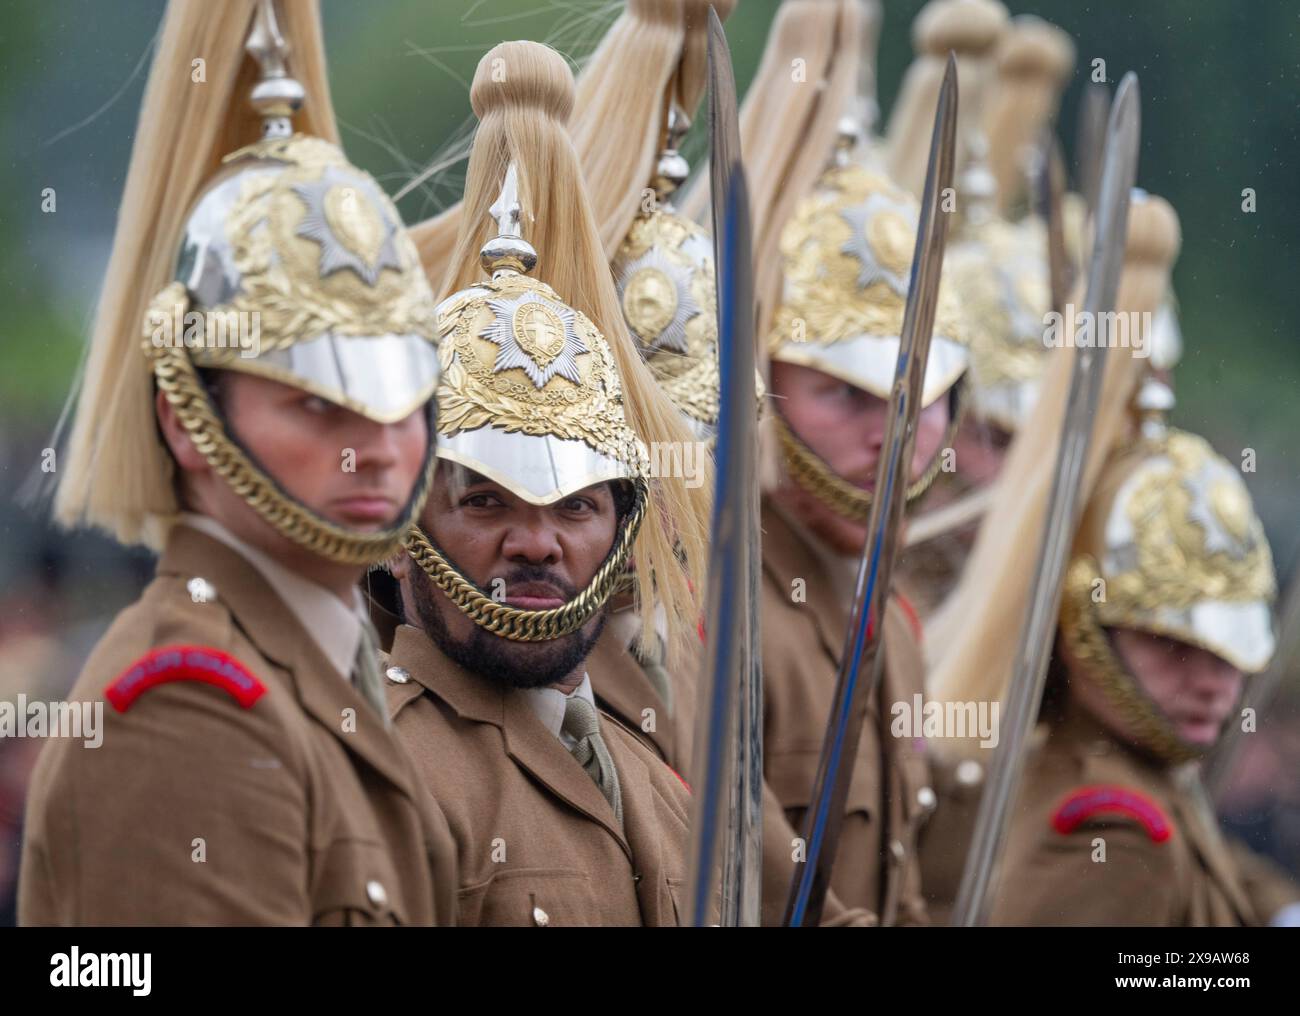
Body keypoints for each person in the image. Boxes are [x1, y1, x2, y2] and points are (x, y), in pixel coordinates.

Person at [19, 0, 456, 926]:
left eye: (399, 390)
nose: (377, 440)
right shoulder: (184, 705)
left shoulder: (335, 668)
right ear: (187, 418)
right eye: (316, 400)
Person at [382, 40, 712, 927]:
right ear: (406, 517)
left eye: (576, 503)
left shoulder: (657, 784)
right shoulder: (382, 778)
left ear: (624, 520)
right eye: (485, 498)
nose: (538, 541)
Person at [743, 0, 970, 926]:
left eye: (915, 396)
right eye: (844, 394)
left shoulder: (893, 620)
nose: (891, 433)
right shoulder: (723, 613)